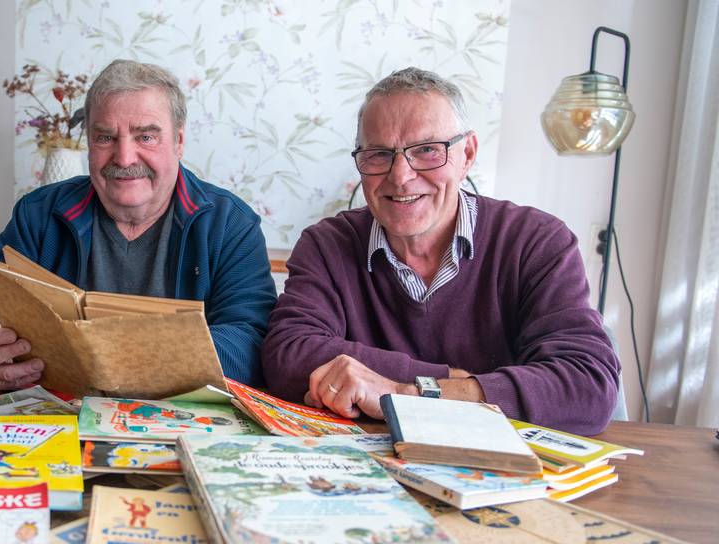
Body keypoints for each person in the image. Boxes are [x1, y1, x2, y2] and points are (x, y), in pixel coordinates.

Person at [261, 67, 619, 436]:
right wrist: (454, 380)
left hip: (498, 463)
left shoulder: (536, 241)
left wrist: (404, 393)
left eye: (428, 150)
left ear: (468, 154)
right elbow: (288, 355)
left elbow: (587, 386)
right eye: (379, 154)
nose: (400, 176)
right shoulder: (327, 244)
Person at [0, 59, 277, 390]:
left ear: (179, 141)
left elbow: (252, 340)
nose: (124, 158)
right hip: (59, 413)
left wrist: (132, 358)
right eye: (105, 137)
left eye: (146, 137)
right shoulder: (39, 214)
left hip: (182, 419)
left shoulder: (230, 224)